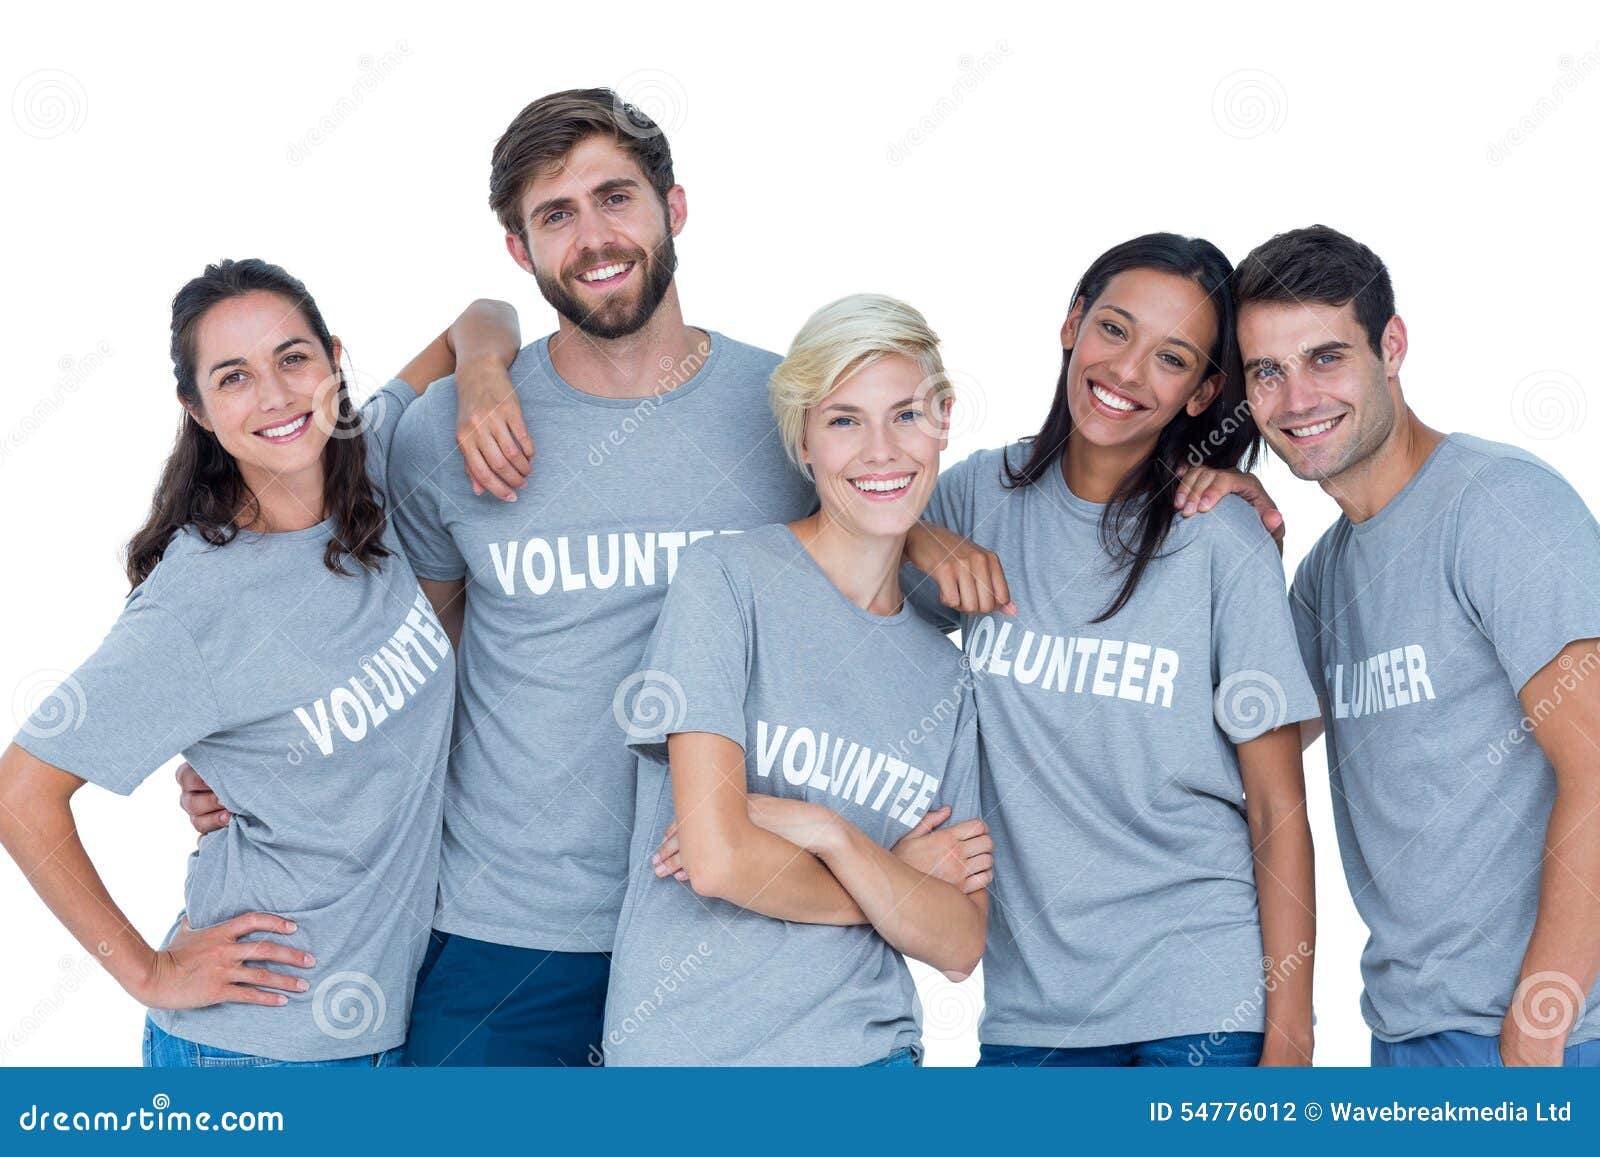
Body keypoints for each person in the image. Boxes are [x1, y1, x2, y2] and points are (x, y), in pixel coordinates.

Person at [0, 258, 506, 1066]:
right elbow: (22, 792)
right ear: (195, 410)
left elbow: (477, 317)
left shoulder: (365, 463)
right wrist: (149, 972)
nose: (275, 395)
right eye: (234, 376)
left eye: (292, 358)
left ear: (333, 361)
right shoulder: (195, 607)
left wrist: (483, 374)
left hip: (385, 1024)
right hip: (256, 1049)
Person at [901, 234, 1319, 1067]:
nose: (1126, 372)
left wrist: (1291, 1043)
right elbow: (824, 547)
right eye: (1115, 329)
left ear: (1203, 392)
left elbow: (1278, 809)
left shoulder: (1219, 538)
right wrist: (918, 539)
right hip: (1033, 1011)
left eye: (1170, 358)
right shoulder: (975, 496)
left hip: (1202, 1000)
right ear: (1071, 323)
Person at [1191, 224, 1600, 1067]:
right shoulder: (1323, 577)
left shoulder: (1499, 506)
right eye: (1268, 371)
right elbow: (1235, 751)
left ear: (1392, 346)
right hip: (1409, 1033)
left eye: (1326, 357)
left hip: (1554, 1038)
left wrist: (1540, 1019)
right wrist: (1222, 540)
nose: (1297, 397)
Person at [604, 294, 989, 1066]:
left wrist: (828, 833)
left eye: (907, 414)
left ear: (944, 420)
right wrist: (892, 888)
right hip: (685, 1060)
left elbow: (958, 940)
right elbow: (715, 862)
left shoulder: (948, 673)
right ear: (805, 441)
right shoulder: (726, 580)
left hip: (866, 1059)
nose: (881, 450)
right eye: (845, 419)